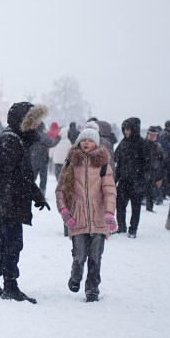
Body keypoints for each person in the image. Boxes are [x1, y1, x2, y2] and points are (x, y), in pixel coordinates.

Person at [0, 102, 50, 303]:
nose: (37, 125)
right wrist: (6, 202)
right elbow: (4, 176)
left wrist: (36, 195)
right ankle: (9, 286)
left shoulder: (17, 139)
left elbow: (23, 175)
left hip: (12, 201)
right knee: (12, 244)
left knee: (7, 243)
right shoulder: (10, 140)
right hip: (9, 203)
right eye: (33, 121)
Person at [55, 127, 116, 302]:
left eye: (90, 140)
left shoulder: (103, 164)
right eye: (83, 140)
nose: (86, 143)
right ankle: (75, 276)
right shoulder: (71, 163)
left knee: (96, 257)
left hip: (98, 217)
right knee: (79, 255)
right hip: (77, 216)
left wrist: (109, 212)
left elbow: (110, 190)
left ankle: (92, 289)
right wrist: (65, 212)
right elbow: (60, 190)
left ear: (96, 143)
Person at [113, 117, 147, 237]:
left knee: (135, 207)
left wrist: (143, 180)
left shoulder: (142, 143)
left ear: (135, 129)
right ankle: (121, 227)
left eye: (128, 129)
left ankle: (133, 229)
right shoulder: (123, 143)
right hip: (123, 180)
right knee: (120, 204)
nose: (126, 132)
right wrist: (115, 179)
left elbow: (147, 164)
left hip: (137, 181)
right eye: (124, 129)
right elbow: (117, 160)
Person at [29, 121, 60, 194]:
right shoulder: (44, 135)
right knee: (43, 179)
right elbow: (51, 144)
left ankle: (29, 192)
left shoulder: (31, 135)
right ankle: (42, 193)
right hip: (43, 160)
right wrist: (58, 138)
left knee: (32, 178)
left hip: (33, 160)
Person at [142, 125, 165, 210]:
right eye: (150, 134)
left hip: (153, 172)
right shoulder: (142, 145)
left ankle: (149, 207)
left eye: (154, 135)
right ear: (147, 134)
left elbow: (162, 162)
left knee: (151, 191)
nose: (152, 137)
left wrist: (160, 176)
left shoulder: (158, 147)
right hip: (143, 172)